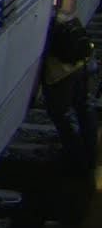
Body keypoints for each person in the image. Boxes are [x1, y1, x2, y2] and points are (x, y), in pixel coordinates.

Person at [41, 17, 97, 177]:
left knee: (61, 115)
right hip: (82, 63)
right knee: (85, 108)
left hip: (61, 73)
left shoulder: (46, 19)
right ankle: (90, 158)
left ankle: (77, 161)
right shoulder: (63, 14)